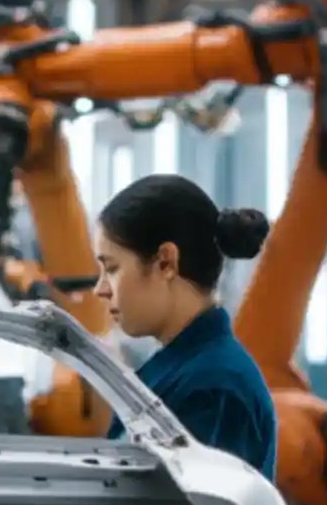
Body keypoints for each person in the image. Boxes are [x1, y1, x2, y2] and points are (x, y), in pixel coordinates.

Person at [94, 173, 277, 480]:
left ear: (166, 262)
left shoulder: (214, 388)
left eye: (111, 268)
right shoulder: (186, 370)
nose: (100, 289)